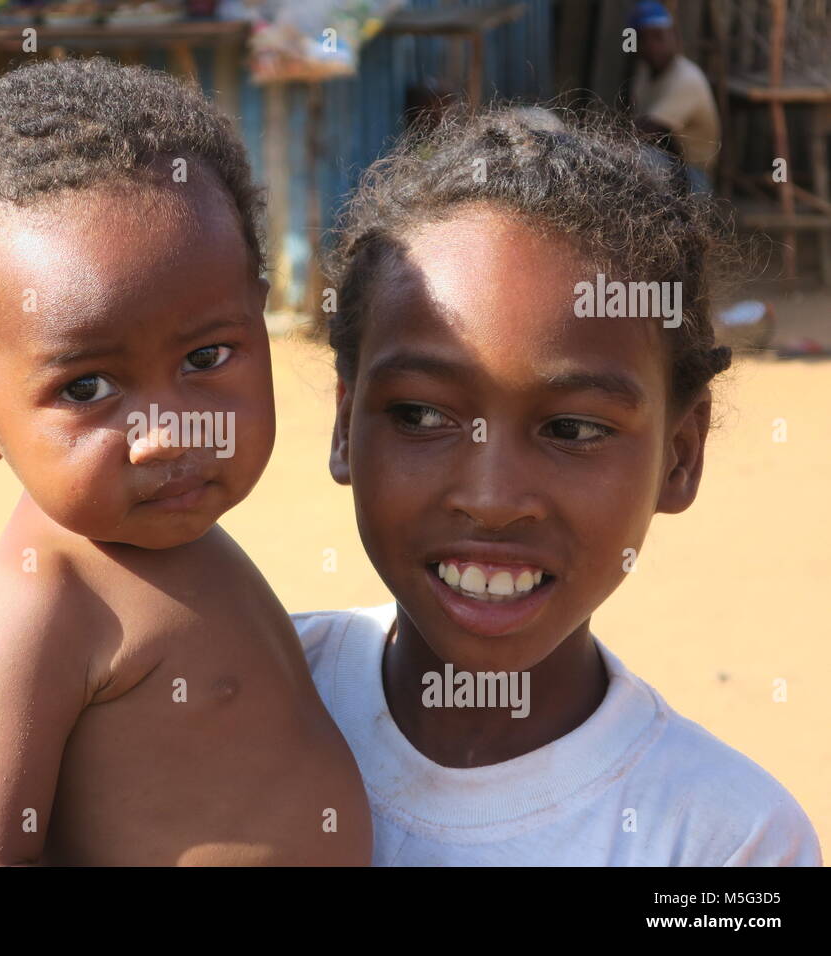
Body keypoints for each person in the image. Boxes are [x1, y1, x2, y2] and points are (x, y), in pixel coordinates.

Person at [297, 107, 822, 865]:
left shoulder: (725, 843)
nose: (493, 497)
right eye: (419, 414)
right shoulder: (227, 694)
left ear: (680, 456)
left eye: (573, 430)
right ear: (347, 426)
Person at [0, 58, 371, 866]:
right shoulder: (44, 603)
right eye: (87, 386)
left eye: (208, 355)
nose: (168, 433)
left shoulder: (176, 539)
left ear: (261, 311)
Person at [628, 0, 720, 192]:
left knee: (638, 158)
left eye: (659, 37)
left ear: (675, 38)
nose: (653, 46)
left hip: (694, 177)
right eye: (645, 39)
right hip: (667, 166)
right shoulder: (644, 75)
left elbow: (646, 131)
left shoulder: (687, 78)